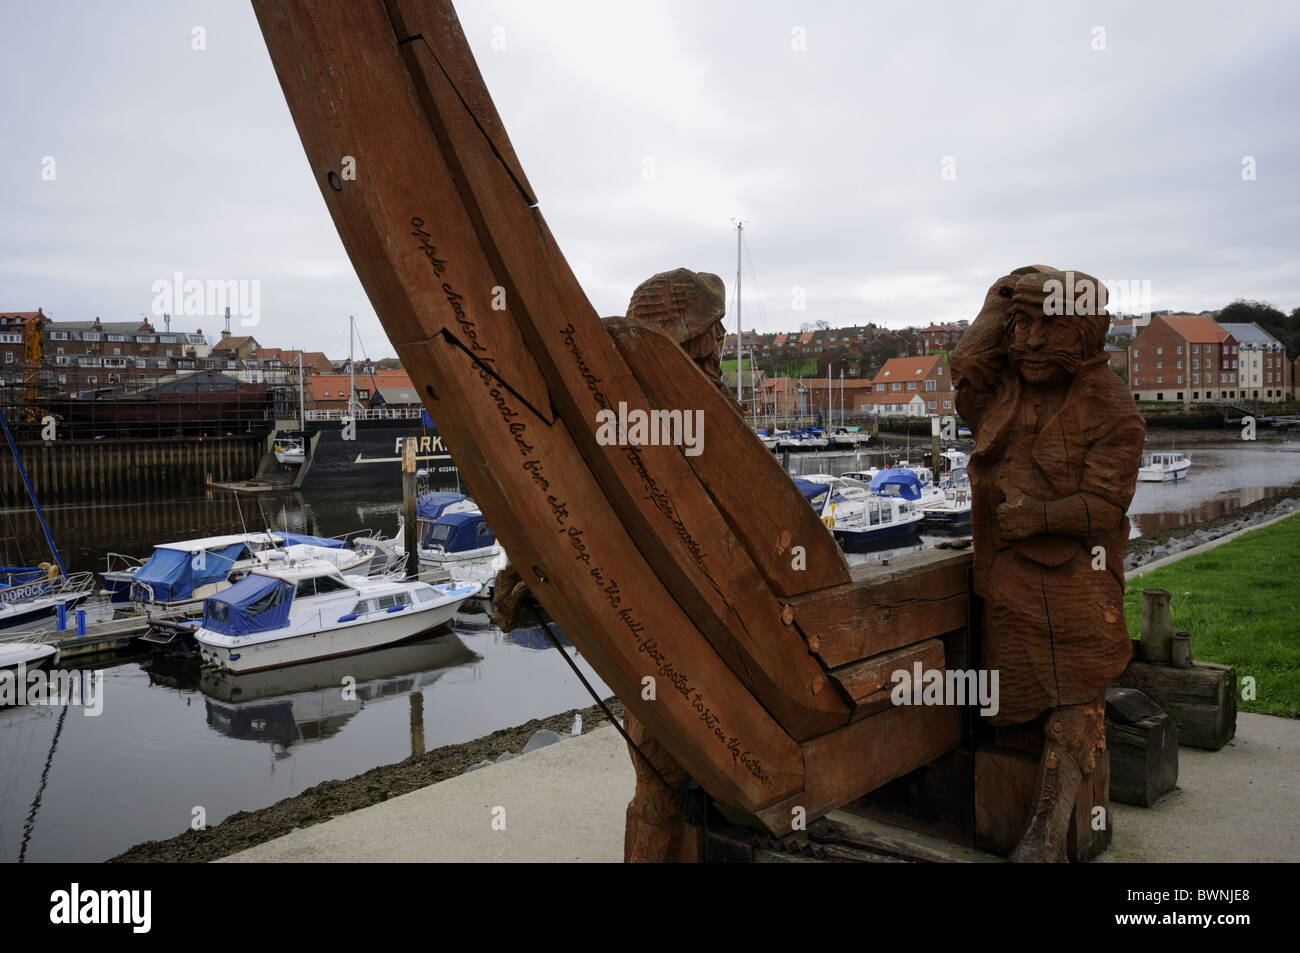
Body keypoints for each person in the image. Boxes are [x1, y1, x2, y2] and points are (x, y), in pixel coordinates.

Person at [951, 265, 1145, 861]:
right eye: (1021, 327)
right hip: (1006, 577)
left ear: (1086, 333)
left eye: (1050, 327)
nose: (1029, 342)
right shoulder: (1006, 391)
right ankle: (1014, 809)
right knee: (1009, 705)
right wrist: (997, 302)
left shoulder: (1111, 409)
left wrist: (1037, 515)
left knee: (1075, 694)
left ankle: (1048, 833)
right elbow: (967, 368)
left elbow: (1106, 502)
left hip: (1076, 579)